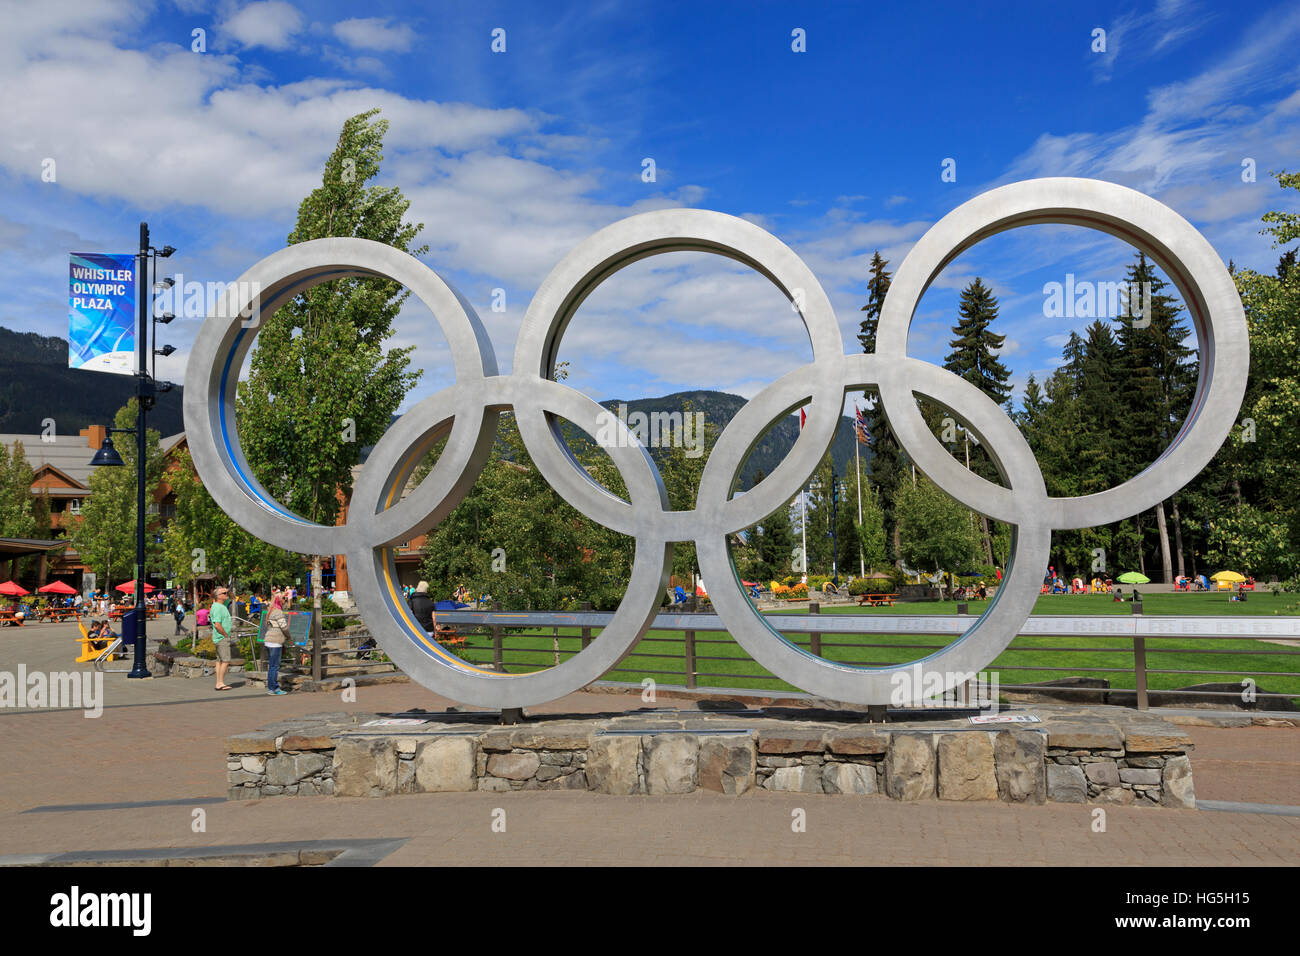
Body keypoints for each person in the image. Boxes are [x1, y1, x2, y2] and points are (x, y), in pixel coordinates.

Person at [264, 588, 290, 696]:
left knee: (271, 666)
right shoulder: (278, 612)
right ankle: (275, 688)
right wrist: (289, 637)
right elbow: (284, 627)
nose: (285, 600)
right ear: (279, 600)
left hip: (268, 640)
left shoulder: (270, 611)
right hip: (276, 641)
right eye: (283, 598)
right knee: (275, 666)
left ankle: (270, 688)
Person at [210, 586, 235, 691]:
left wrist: (227, 591)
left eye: (225, 593)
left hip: (219, 637)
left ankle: (219, 682)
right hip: (221, 637)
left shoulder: (222, 604)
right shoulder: (217, 607)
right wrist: (225, 634)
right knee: (225, 660)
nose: (226, 594)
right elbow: (217, 624)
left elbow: (232, 597)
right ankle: (220, 683)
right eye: (223, 593)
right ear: (218, 596)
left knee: (219, 660)